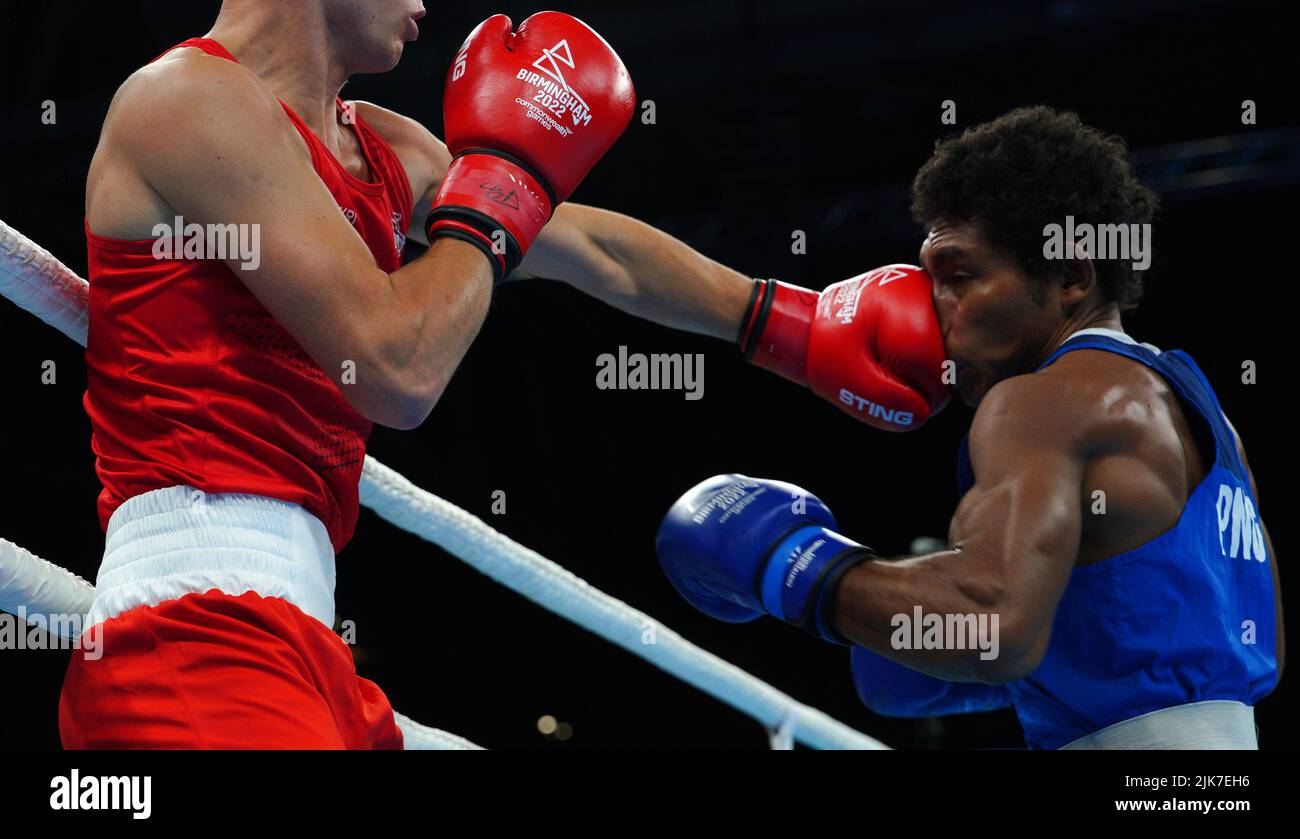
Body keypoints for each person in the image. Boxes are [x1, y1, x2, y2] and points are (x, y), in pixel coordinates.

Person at [545, 107, 1284, 749]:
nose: (935, 307)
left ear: (1071, 277)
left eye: (961, 275)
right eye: (930, 275)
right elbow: (1248, 644)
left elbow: (993, 622)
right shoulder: (1198, 406)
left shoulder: (1037, 400)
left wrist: (801, 568)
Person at [64, 0, 633, 748]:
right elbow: (398, 366)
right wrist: (499, 192)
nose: (425, 3)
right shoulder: (184, 98)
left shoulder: (384, 148)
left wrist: (784, 322)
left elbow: (592, 247)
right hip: (194, 633)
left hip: (302, 644)